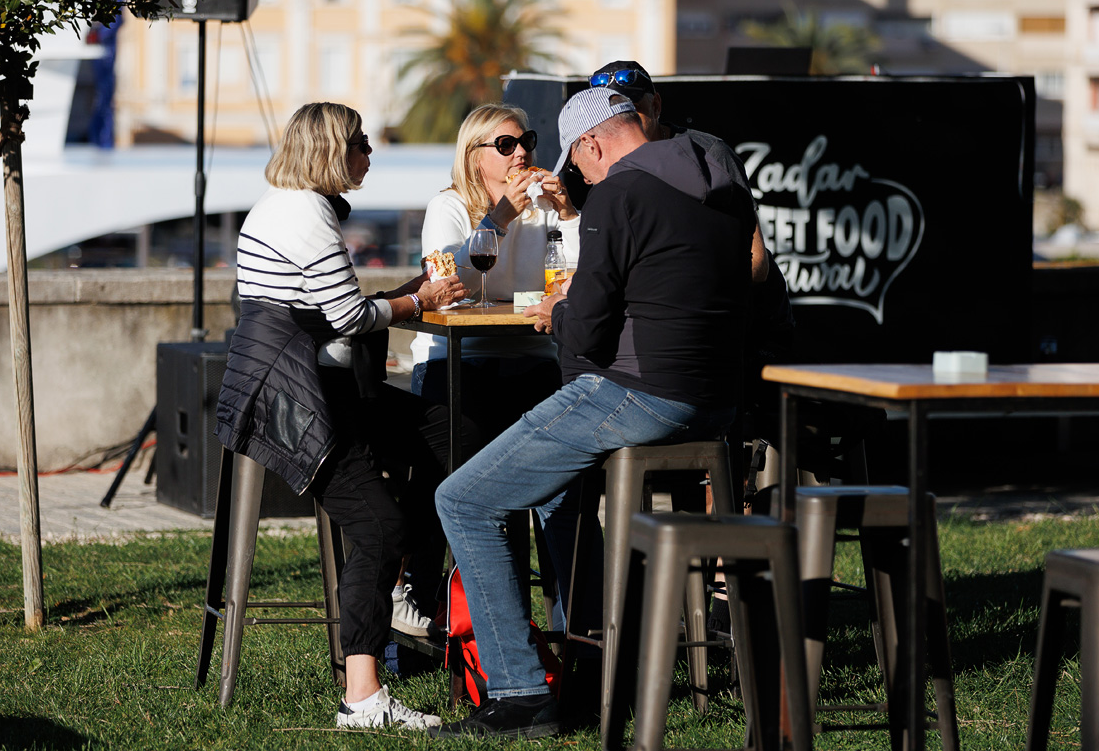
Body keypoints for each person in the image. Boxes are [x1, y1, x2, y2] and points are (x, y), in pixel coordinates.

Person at [430, 88, 755, 739]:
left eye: (577, 161)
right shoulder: (718, 172)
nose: (578, 173)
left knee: (463, 499)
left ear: (591, 143)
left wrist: (560, 313)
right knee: (559, 494)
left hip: (636, 392)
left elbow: (588, 329)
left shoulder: (619, 195)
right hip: (715, 404)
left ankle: (520, 692)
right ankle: (592, 663)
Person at [214, 102, 474, 731]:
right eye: (360, 142)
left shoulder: (289, 205)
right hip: (298, 401)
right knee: (381, 527)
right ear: (332, 150)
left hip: (314, 386)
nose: (369, 153)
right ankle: (363, 696)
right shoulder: (305, 213)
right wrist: (416, 302)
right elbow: (350, 318)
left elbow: (334, 309)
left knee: (452, 434)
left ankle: (410, 587)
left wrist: (408, 295)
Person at [409, 104, 602, 635]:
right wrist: (497, 219)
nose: (521, 153)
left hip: (533, 358)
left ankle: (581, 634)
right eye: (505, 145)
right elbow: (449, 287)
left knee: (566, 495)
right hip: (458, 362)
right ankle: (447, 618)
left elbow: (582, 277)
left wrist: (569, 214)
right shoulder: (449, 207)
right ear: (475, 158)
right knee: (467, 486)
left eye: (526, 142)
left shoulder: (544, 208)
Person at [588, 60, 770, 284]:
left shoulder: (708, 153)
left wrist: (682, 291)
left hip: (735, 303)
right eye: (608, 116)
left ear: (656, 106)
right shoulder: (604, 162)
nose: (622, 123)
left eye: (632, 110)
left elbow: (757, 262)